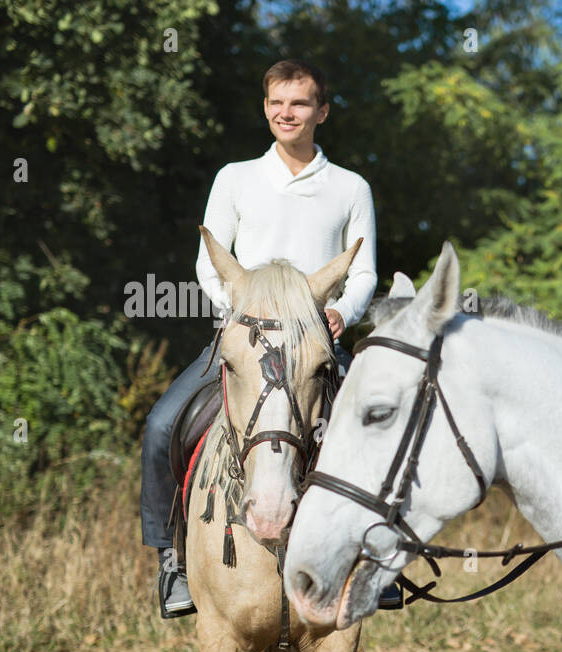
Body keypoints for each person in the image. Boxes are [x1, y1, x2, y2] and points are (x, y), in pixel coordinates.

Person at [141, 59, 389, 618]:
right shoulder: (235, 178)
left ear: (321, 111)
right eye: (277, 102)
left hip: (313, 343)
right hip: (245, 340)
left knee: (379, 431)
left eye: (299, 103)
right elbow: (209, 263)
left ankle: (377, 560)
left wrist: (341, 314)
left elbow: (366, 271)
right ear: (265, 107)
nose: (286, 112)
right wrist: (239, 314)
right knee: (161, 427)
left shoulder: (350, 187)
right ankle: (172, 565)